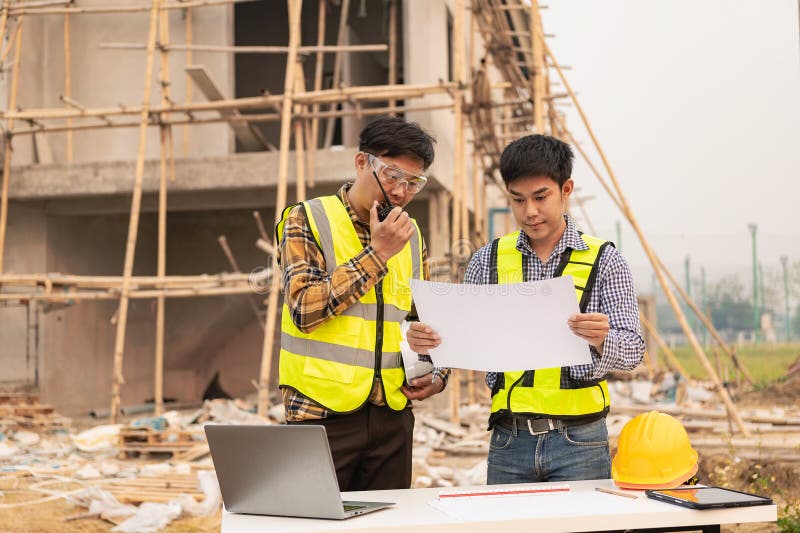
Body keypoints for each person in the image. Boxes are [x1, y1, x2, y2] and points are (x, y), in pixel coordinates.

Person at [407, 134, 645, 484]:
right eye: (518, 200)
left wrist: (602, 338)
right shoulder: (487, 261)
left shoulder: (604, 261)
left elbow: (634, 351)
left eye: (540, 197)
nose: (530, 211)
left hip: (579, 441)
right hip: (508, 440)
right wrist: (436, 368)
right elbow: (463, 338)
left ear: (566, 190)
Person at [276, 116, 448, 492]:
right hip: (320, 415)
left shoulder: (412, 233)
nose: (401, 191)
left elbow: (424, 321)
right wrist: (378, 253)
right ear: (361, 163)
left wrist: (437, 374)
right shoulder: (307, 219)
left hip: (392, 416)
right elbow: (305, 308)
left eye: (413, 183)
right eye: (392, 176)